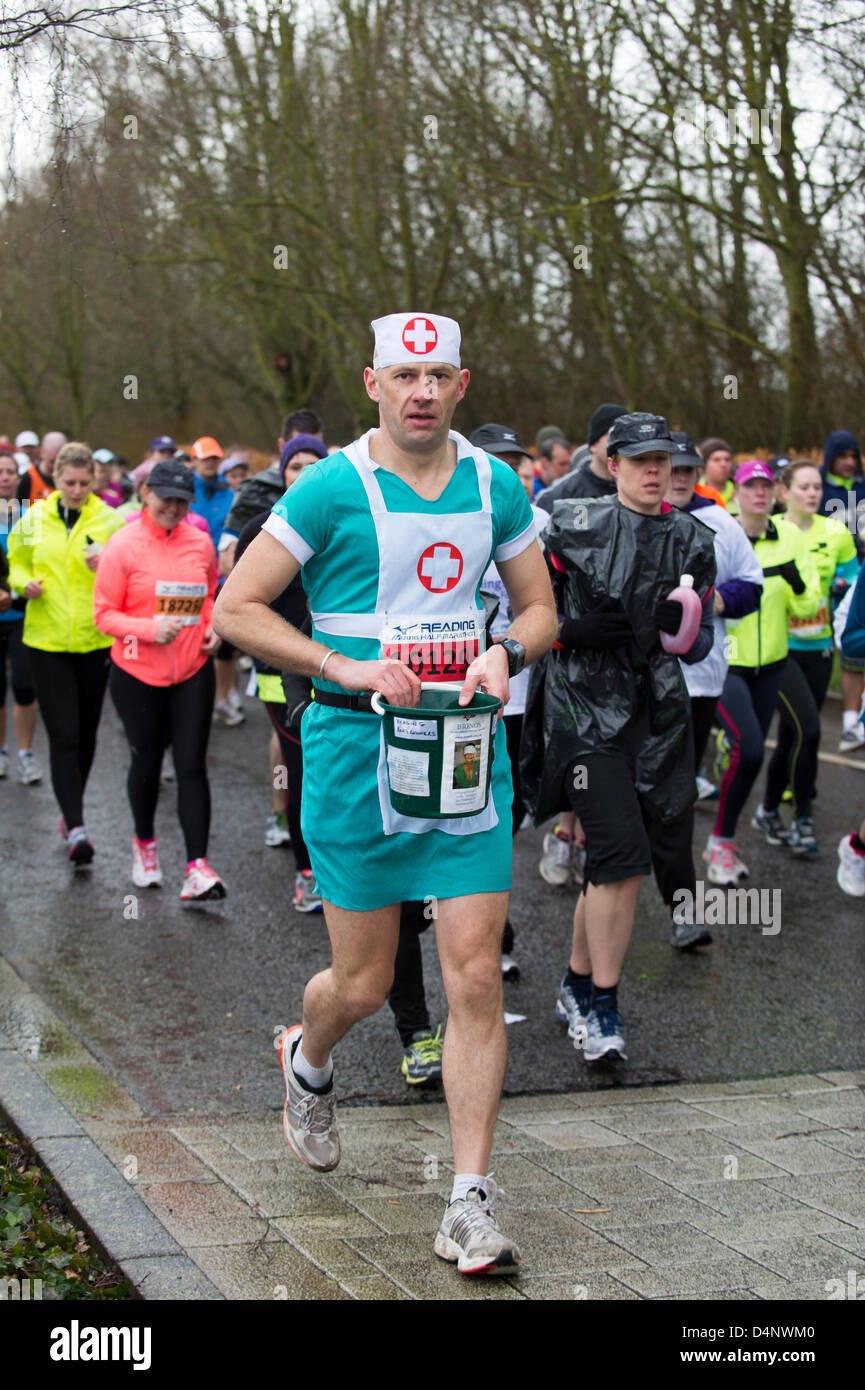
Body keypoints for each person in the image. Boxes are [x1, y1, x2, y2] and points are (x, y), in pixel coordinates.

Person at [215, 310, 556, 1276]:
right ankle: (306, 1060)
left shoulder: (495, 484)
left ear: (460, 383)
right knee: (362, 985)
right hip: (352, 753)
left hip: (460, 753)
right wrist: (340, 662)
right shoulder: (329, 488)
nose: (421, 390)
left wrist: (503, 650)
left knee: (476, 976)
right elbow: (236, 610)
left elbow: (539, 608)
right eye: (404, 374)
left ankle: (468, 1203)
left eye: (437, 374)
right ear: (372, 383)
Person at [522, 412, 716, 1060]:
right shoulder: (571, 525)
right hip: (581, 714)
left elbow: (700, 643)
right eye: (639, 459)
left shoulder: (693, 537)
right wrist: (570, 631)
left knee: (609, 867)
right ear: (612, 463)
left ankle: (575, 985)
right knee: (624, 858)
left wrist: (680, 631)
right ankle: (602, 1008)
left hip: (655, 718)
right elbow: (521, 612)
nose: (655, 471)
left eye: (664, 459)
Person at [92, 459, 225, 899]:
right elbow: (103, 615)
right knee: (147, 763)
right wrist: (149, 629)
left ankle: (197, 867)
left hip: (191, 669)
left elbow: (209, 593)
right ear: (147, 493)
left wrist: (211, 627)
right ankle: (144, 845)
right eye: (165, 497)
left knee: (190, 765)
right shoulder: (122, 546)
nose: (172, 507)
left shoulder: (199, 542)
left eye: (181, 501)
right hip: (137, 672)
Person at [664, 433, 763, 946]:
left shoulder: (720, 522)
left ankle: (683, 907)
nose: (678, 477)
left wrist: (716, 602)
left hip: (699, 681)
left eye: (687, 469)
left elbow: (753, 582)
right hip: (636, 680)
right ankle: (609, 862)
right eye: (670, 467)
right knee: (635, 787)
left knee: (679, 790)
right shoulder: (637, 515)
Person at [6, 442, 124, 862]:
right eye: (69, 483)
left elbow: (129, 572)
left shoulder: (110, 520)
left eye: (83, 482)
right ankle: (76, 827)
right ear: (55, 480)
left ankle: (71, 804)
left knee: (87, 735)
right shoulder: (33, 518)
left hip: (95, 641)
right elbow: (15, 562)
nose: (76, 490)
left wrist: (106, 563)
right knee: (64, 735)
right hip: (46, 640)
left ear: (94, 480)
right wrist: (24, 585)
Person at [705, 461, 821, 884]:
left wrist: (795, 584)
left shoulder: (789, 535)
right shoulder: (723, 534)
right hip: (729, 664)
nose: (759, 493)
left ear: (775, 493)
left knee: (778, 740)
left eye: (766, 486)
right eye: (750, 486)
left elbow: (810, 609)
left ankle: (734, 830)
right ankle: (719, 843)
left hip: (772, 663)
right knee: (750, 749)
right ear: (736, 492)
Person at [232, 433, 328, 909]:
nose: (302, 474)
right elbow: (236, 604)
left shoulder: (339, 522)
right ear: (282, 473)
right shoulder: (260, 530)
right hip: (280, 670)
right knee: (301, 767)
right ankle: (306, 872)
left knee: (331, 772)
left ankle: (340, 864)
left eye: (313, 466)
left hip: (336, 667)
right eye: (295, 466)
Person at [534, 403, 628, 887]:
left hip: (620, 650)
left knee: (608, 756)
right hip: (568, 648)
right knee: (576, 749)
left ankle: (590, 848)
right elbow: (535, 578)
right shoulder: (559, 497)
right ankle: (566, 837)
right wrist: (564, 627)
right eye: (610, 436)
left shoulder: (633, 490)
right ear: (592, 443)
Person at [754, 461, 859, 854]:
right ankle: (803, 818)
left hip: (820, 647)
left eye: (817, 487)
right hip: (781, 650)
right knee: (810, 731)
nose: (813, 493)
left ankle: (767, 809)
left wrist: (842, 588)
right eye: (804, 487)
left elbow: (853, 588)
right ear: (784, 491)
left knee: (794, 734)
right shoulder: (771, 530)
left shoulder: (837, 534)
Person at [818, 430, 865, 748]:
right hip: (828, 583)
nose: (849, 463)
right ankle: (843, 722)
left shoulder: (863, 488)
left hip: (860, 576)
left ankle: (856, 723)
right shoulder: (819, 490)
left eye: (853, 456)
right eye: (843, 456)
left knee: (859, 650)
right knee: (840, 651)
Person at [0, 453, 41, 784]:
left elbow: (40, 560)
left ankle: (26, 755)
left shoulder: (32, 516)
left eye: (10, 471)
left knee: (25, 687)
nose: (4, 477)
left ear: (18, 477)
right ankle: (1, 752)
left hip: (25, 616)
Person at [16, 431, 67, 506]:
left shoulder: (72, 479)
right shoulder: (27, 480)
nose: (56, 467)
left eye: (61, 462)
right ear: (41, 453)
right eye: (52, 462)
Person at [699, 437, 737, 513]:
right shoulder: (694, 492)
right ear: (704, 464)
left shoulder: (740, 493)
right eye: (716, 460)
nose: (723, 464)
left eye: (727, 460)